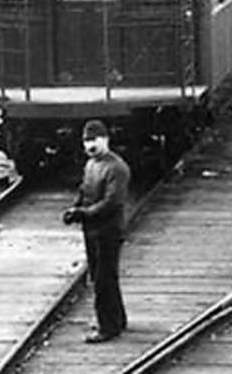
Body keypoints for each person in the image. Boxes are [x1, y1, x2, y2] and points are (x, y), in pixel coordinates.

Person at [63, 119, 131, 343]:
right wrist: (76, 207)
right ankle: (117, 319)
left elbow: (112, 202)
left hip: (108, 230)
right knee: (102, 276)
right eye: (87, 141)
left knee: (103, 280)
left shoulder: (116, 168)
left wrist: (85, 213)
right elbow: (85, 190)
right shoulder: (91, 164)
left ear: (106, 140)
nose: (91, 145)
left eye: (95, 140)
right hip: (92, 230)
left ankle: (107, 327)